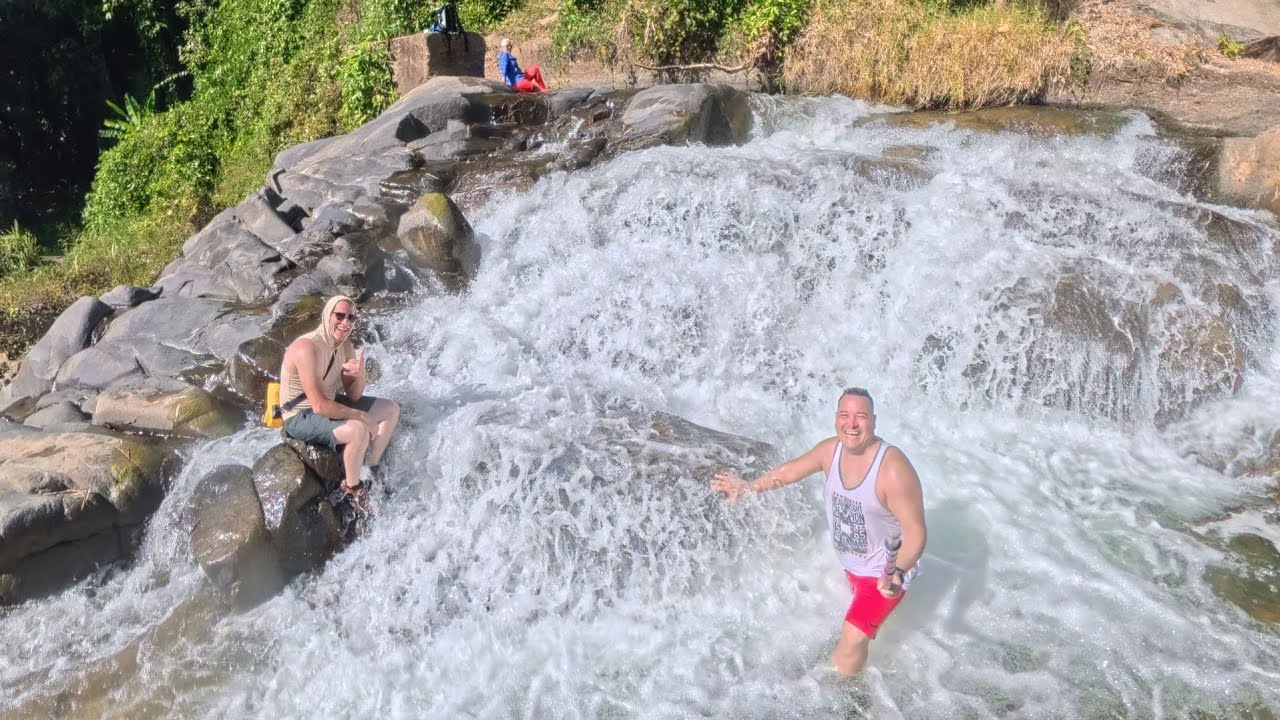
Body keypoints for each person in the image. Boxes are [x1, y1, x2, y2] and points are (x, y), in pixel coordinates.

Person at [711, 387, 926, 677]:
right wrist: (748, 487)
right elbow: (788, 472)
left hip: (882, 573)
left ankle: (842, 695)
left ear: (873, 421)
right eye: (845, 416)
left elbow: (916, 533)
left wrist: (897, 572)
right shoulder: (830, 450)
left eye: (860, 417)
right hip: (852, 567)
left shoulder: (892, 469)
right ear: (836, 419)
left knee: (851, 640)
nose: (851, 424)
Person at [278, 295, 401, 500]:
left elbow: (354, 395)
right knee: (358, 430)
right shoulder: (306, 348)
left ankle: (371, 466)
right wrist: (362, 417)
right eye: (340, 315)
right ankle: (352, 488)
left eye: (351, 318)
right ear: (327, 315)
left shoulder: (344, 347)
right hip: (300, 415)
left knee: (390, 409)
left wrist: (359, 374)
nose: (345, 323)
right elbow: (318, 405)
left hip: (330, 402)